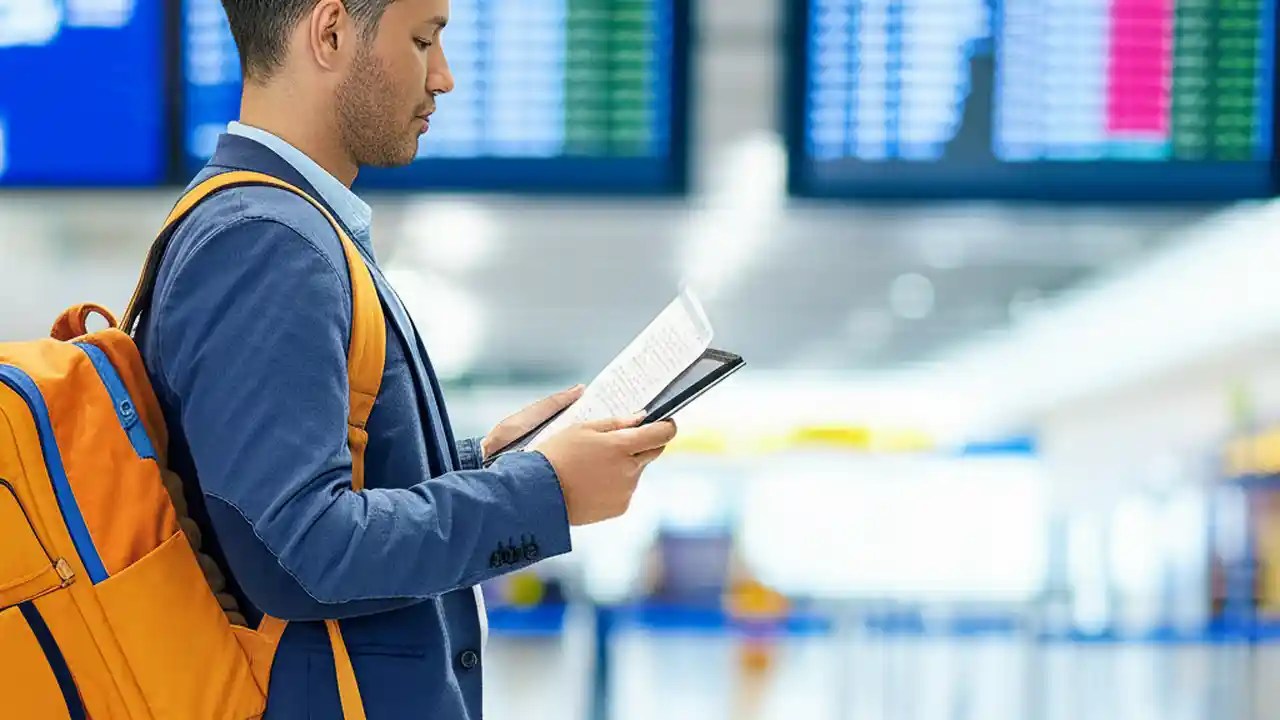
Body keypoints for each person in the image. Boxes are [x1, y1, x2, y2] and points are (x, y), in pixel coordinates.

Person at [134, 0, 678, 717]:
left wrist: (486, 463)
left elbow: (291, 497)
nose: (444, 77)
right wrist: (543, 494)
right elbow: (298, 552)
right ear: (329, 33)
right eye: (423, 41)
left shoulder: (286, 230)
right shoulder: (267, 241)